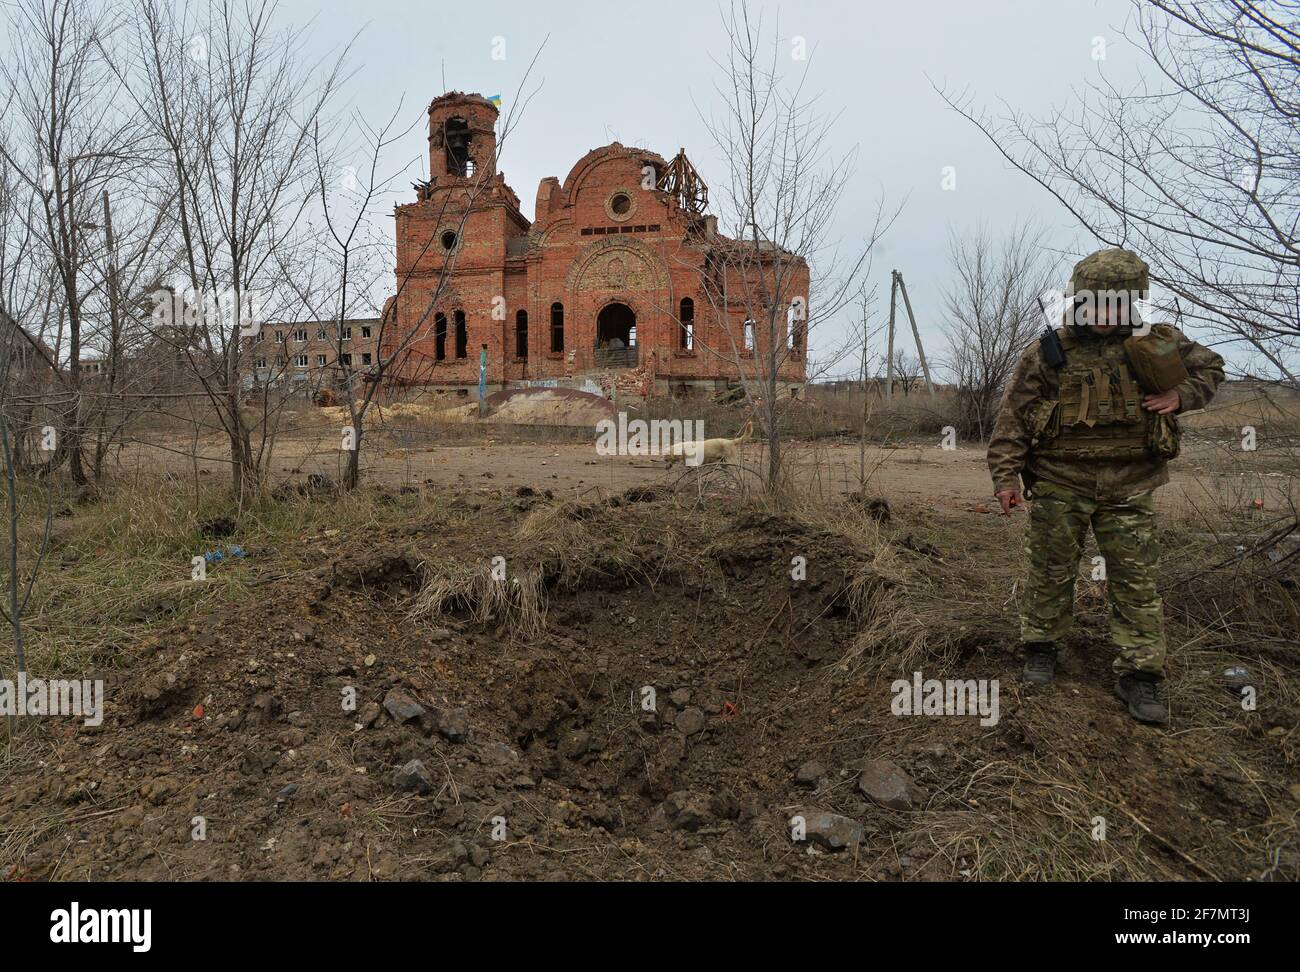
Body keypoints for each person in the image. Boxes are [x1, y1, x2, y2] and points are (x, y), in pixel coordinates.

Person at [987, 248, 1225, 725]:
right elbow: (1013, 416)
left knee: (1135, 583)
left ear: (1132, 304)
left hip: (1131, 485)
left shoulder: (1156, 342)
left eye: (1115, 307)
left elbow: (1212, 369)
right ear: (1078, 300)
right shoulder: (1048, 351)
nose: (1103, 316)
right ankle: (1041, 648)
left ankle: (1141, 675)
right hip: (1060, 481)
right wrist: (1005, 476)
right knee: (1050, 573)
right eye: (1095, 305)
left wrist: (1180, 396)